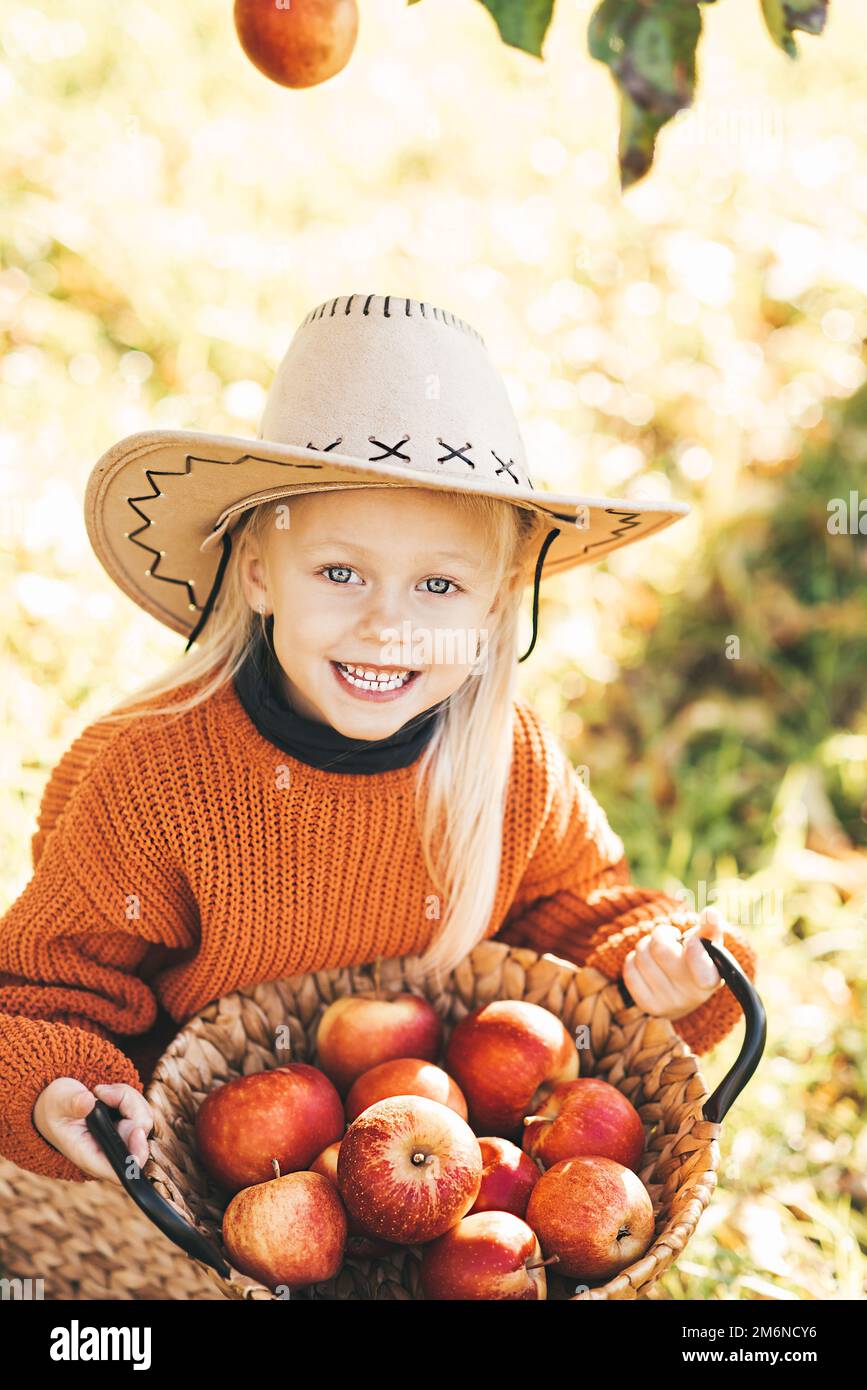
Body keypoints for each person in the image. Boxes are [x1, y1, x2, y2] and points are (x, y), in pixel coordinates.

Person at [0, 291, 756, 1186]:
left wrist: (658, 967)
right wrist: (60, 1088)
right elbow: (47, 990)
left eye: (439, 586)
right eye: (340, 571)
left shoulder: (503, 763)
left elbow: (573, 920)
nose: (386, 625)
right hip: (208, 1168)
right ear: (256, 571)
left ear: (496, 605)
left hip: (443, 1157)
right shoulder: (154, 774)